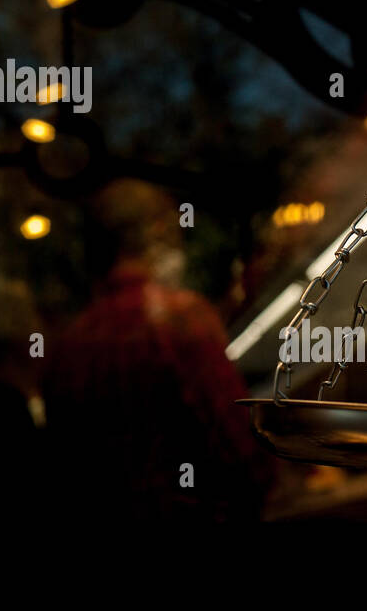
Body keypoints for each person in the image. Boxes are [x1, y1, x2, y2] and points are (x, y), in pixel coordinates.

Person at [42, 179, 269, 520]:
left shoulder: (67, 342)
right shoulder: (181, 319)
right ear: (158, 234)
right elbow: (240, 449)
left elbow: (64, 466)